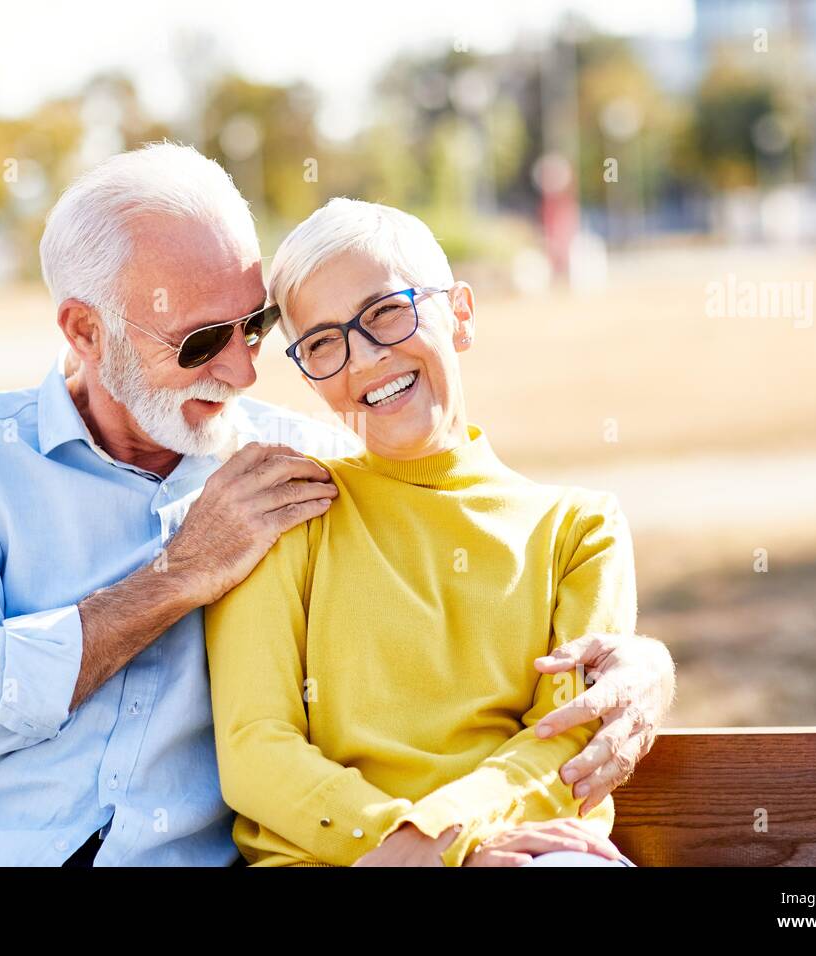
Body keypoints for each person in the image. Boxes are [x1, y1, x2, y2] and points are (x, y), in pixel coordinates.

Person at [0, 144, 673, 867]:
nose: (241, 371)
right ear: (85, 332)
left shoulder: (304, 468)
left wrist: (648, 667)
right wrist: (174, 578)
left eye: (255, 328)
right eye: (199, 342)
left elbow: (444, 494)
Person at [205, 198, 651, 867]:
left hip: (523, 852)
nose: (366, 359)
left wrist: (436, 839)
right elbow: (254, 747)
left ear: (461, 314)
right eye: (324, 343)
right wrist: (420, 851)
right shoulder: (286, 512)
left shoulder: (578, 530)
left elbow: (567, 739)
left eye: (386, 312)